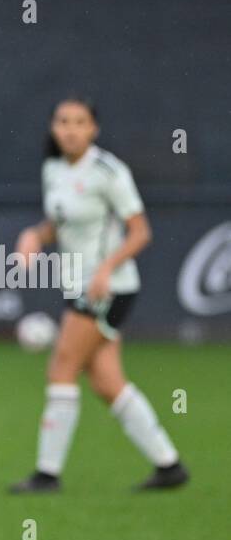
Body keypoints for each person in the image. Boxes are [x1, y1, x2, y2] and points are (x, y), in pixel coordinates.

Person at [10, 97, 188, 493]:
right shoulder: (53, 168)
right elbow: (56, 224)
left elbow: (141, 232)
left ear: (94, 129)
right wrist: (33, 236)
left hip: (109, 288)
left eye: (80, 122)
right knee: (108, 383)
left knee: (61, 368)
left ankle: (46, 475)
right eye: (63, 121)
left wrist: (107, 268)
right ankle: (169, 466)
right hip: (78, 284)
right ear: (53, 127)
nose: (71, 129)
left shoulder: (109, 171)